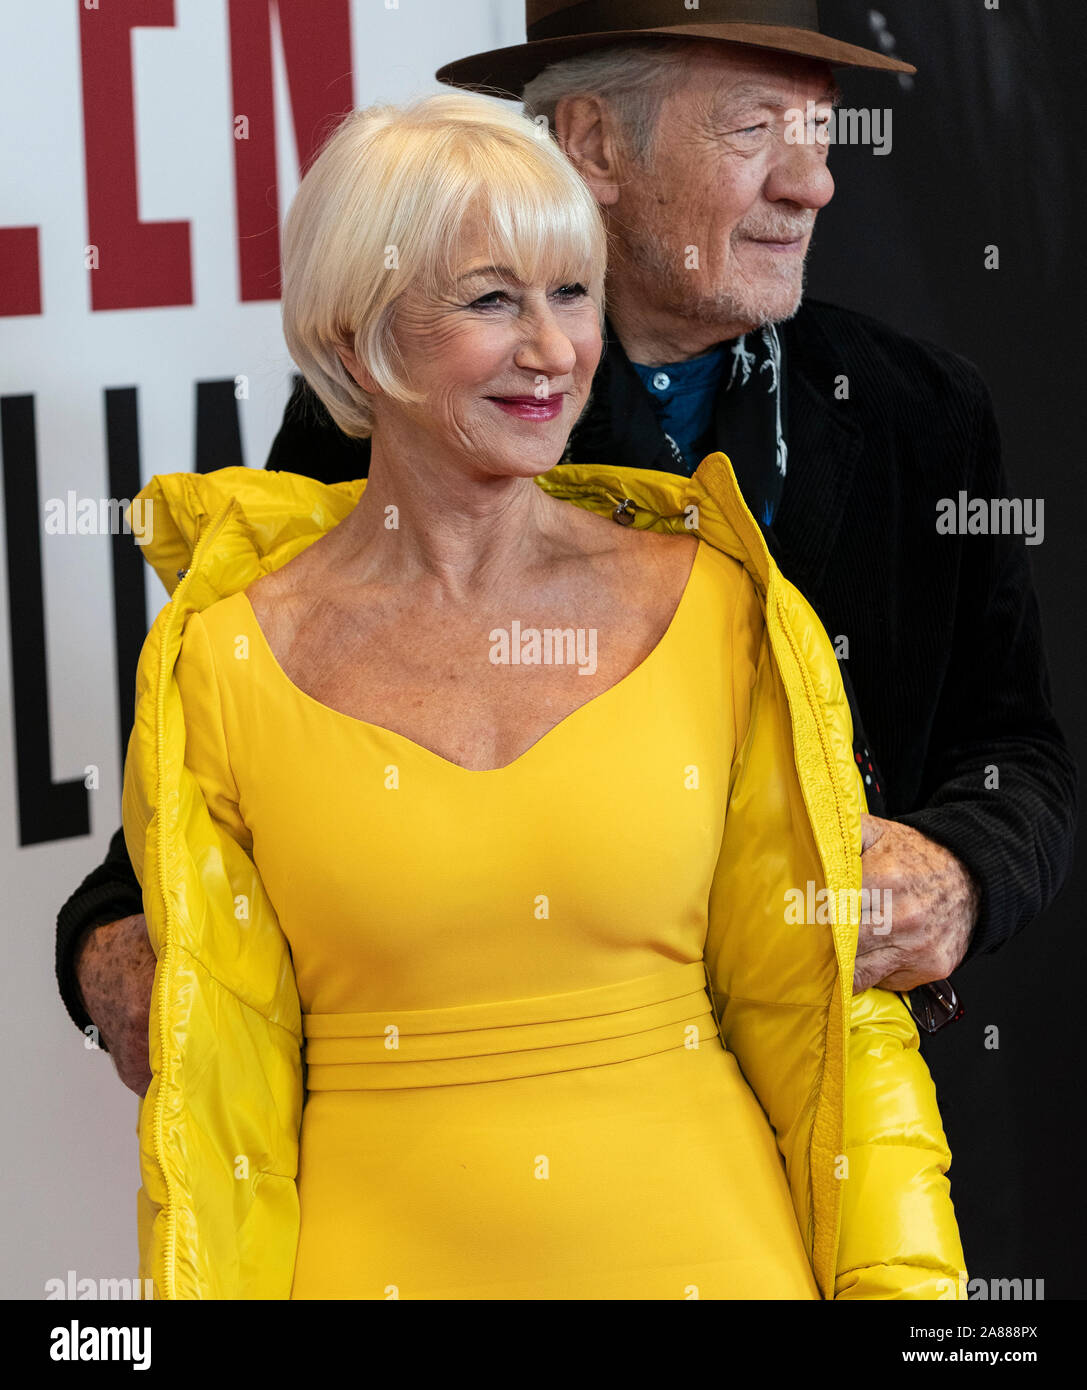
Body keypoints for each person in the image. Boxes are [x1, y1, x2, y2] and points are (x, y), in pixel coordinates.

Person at [59, 6, 1074, 1105]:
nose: (813, 183)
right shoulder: (388, 418)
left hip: (843, 1123)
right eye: (752, 131)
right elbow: (218, 783)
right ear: (593, 145)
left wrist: (964, 873)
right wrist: (111, 949)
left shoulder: (919, 410)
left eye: (820, 130)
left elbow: (1013, 749)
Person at [121, 92, 964, 1298]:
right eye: (489, 299)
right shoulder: (219, 660)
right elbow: (224, 1092)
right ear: (358, 341)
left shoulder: (715, 604)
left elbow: (821, 1020)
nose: (555, 350)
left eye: (571, 293)